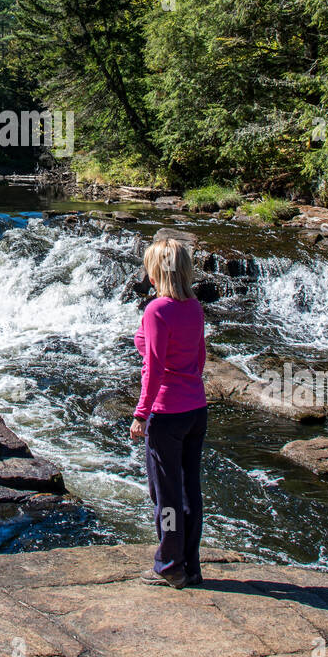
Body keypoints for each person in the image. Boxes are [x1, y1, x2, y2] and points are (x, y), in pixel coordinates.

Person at [129, 236, 207, 588]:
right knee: (190, 490)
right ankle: (191, 565)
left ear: (156, 271)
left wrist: (141, 414)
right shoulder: (194, 307)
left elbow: (155, 367)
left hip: (167, 413)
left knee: (166, 497)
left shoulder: (157, 310)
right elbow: (200, 357)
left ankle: (169, 565)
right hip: (196, 409)